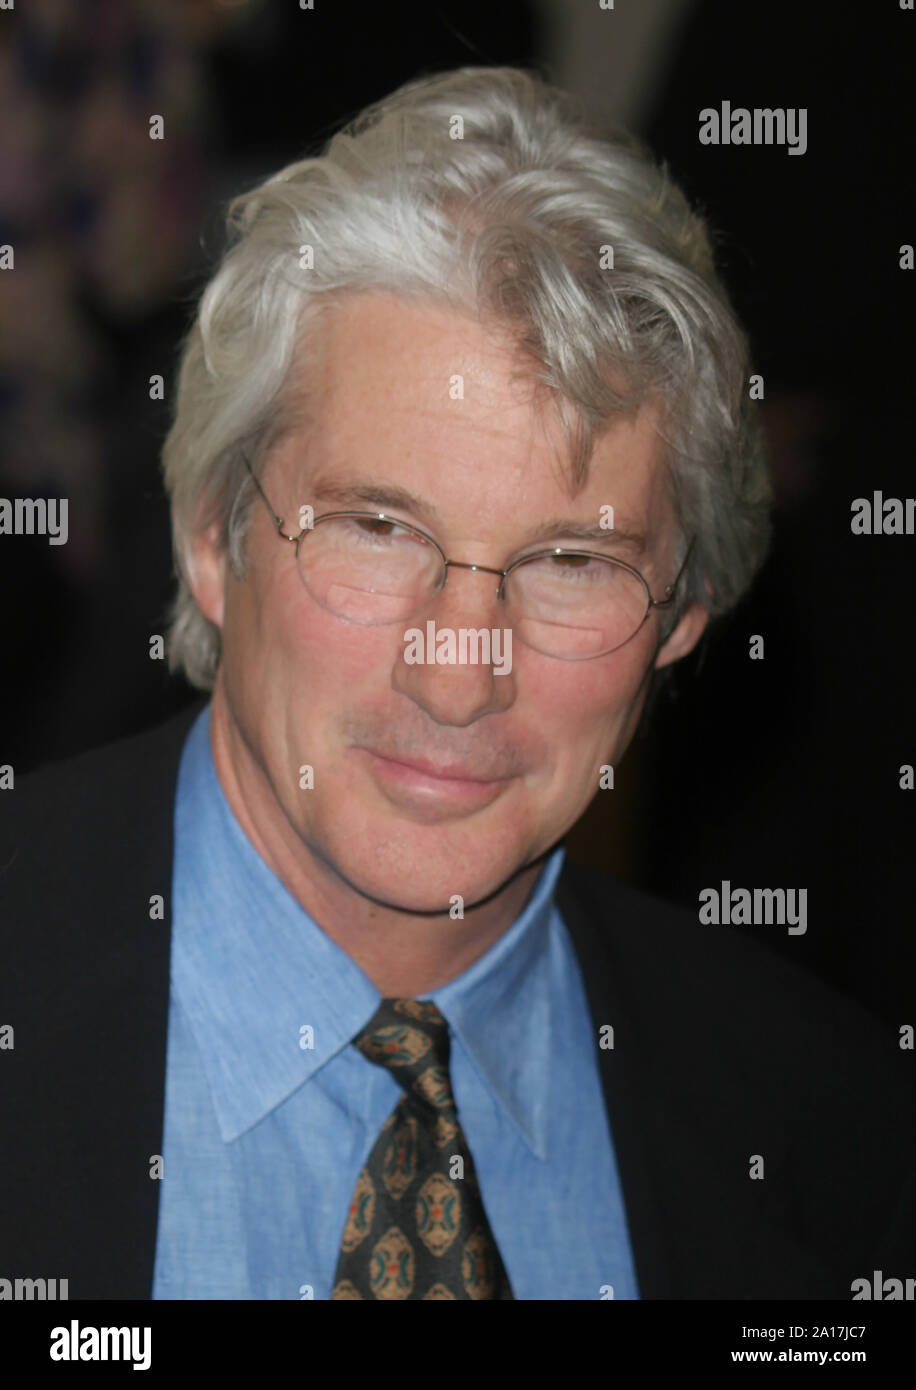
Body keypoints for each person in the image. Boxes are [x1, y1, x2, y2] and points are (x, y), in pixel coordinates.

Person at [2, 65, 913, 1302]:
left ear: (683, 624)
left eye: (570, 563)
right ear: (213, 537)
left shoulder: (839, 1137)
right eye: (377, 530)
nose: (459, 673)